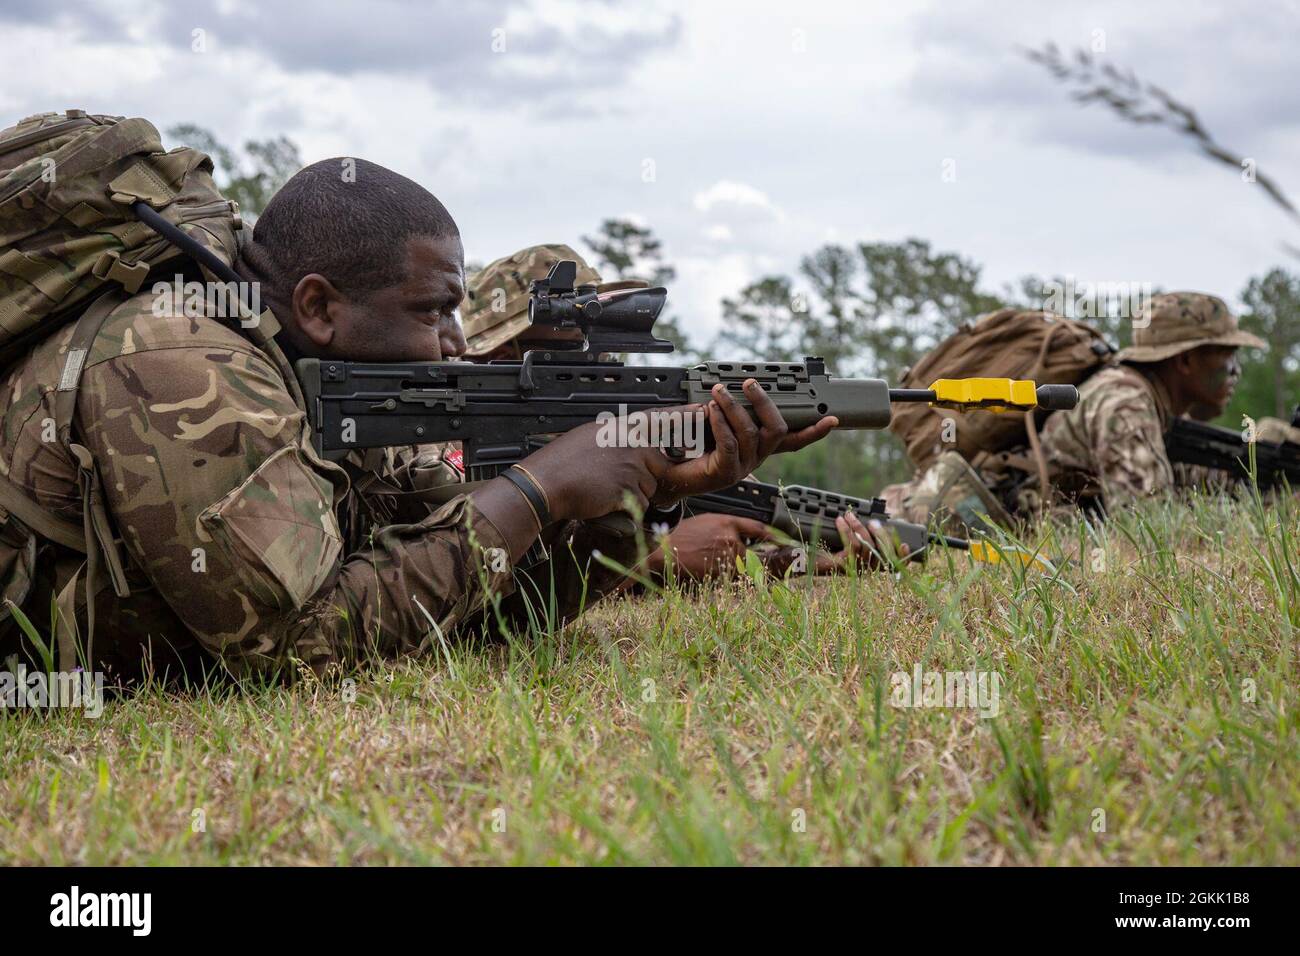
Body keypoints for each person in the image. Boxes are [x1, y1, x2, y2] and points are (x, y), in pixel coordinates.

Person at [0, 161, 835, 681]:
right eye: (435, 309)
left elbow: (484, 608)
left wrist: (635, 500)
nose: (457, 341)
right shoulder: (176, 360)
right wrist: (542, 487)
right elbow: (301, 645)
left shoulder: (350, 390)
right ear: (320, 307)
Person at [460, 244, 891, 582]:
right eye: (581, 348)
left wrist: (818, 564)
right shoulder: (451, 444)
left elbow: (743, 547)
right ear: (502, 358)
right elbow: (463, 567)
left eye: (607, 351)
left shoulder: (636, 439)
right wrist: (658, 558)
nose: (608, 369)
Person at [886, 292, 1266, 526]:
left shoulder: (1142, 399)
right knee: (850, 532)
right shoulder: (1124, 401)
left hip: (977, 510)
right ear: (1184, 361)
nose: (1236, 370)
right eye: (1226, 354)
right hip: (957, 513)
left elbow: (1186, 481)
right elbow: (1149, 524)